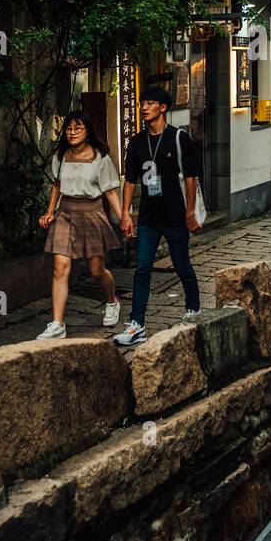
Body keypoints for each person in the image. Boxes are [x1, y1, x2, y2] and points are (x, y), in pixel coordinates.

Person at [116, 84, 202, 346]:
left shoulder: (178, 138)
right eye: (142, 103)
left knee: (181, 264)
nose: (143, 107)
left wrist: (189, 212)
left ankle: (193, 309)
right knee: (142, 268)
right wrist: (125, 213)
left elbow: (190, 177)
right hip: (149, 218)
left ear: (162, 108)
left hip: (175, 215)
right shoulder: (137, 143)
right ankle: (137, 324)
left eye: (149, 103)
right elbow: (130, 180)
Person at [37, 110, 123, 340]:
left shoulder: (100, 157)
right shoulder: (61, 156)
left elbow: (110, 191)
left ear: (87, 131)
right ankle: (57, 323)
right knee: (60, 268)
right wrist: (49, 212)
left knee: (96, 271)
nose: (72, 132)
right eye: (69, 129)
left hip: (91, 212)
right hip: (66, 213)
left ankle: (112, 301)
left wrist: (123, 217)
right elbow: (56, 185)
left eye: (78, 128)